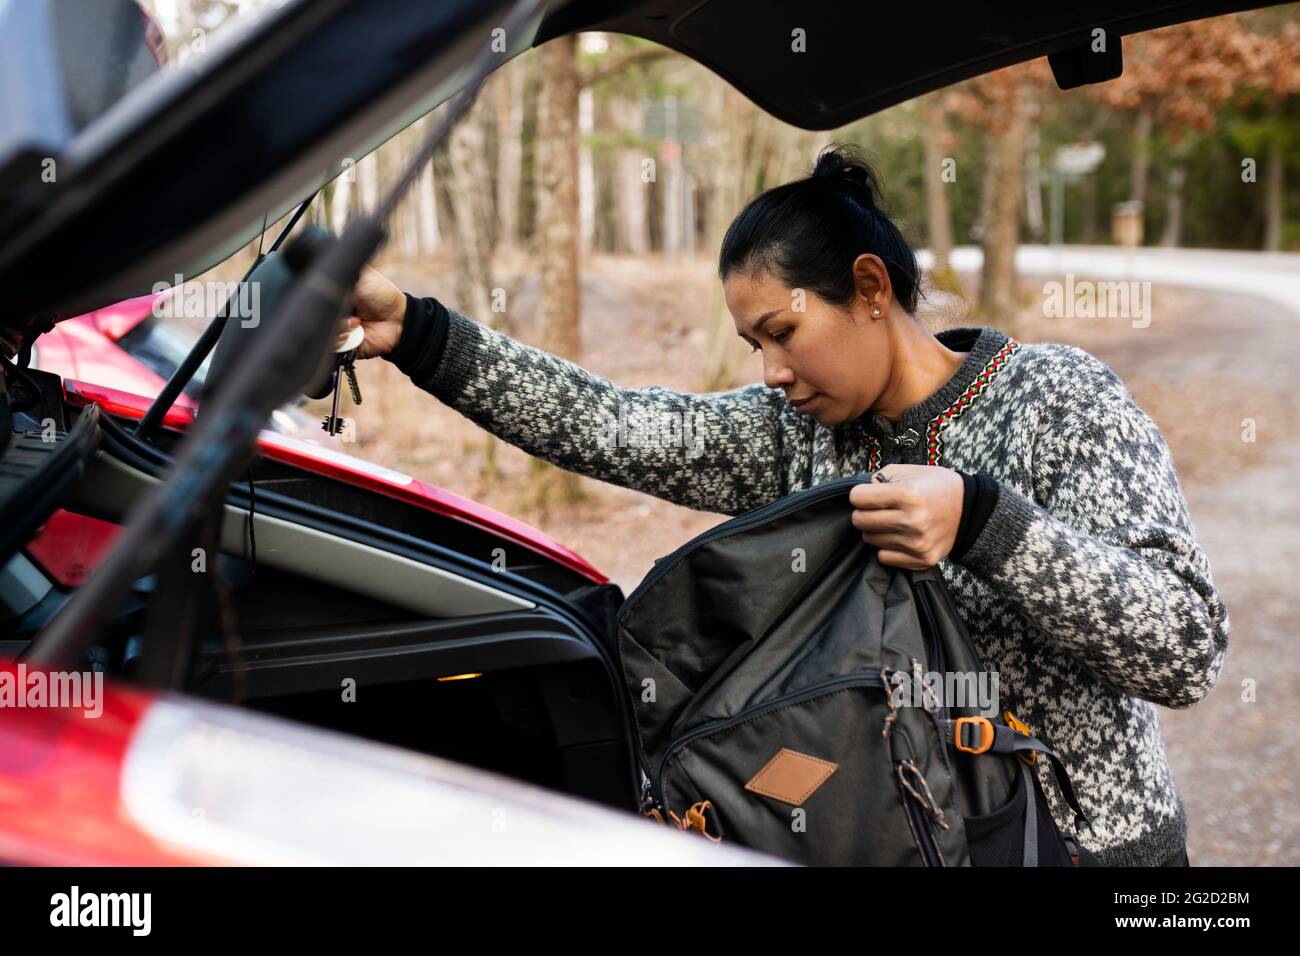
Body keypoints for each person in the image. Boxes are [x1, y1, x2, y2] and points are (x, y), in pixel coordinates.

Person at [337, 144, 1226, 867]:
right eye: (752, 343)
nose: (768, 370)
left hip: (1087, 854)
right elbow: (611, 424)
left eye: (784, 333)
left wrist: (985, 522)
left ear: (871, 289)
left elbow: (1183, 647)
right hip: (908, 847)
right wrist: (416, 331)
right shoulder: (792, 436)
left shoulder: (1056, 398)